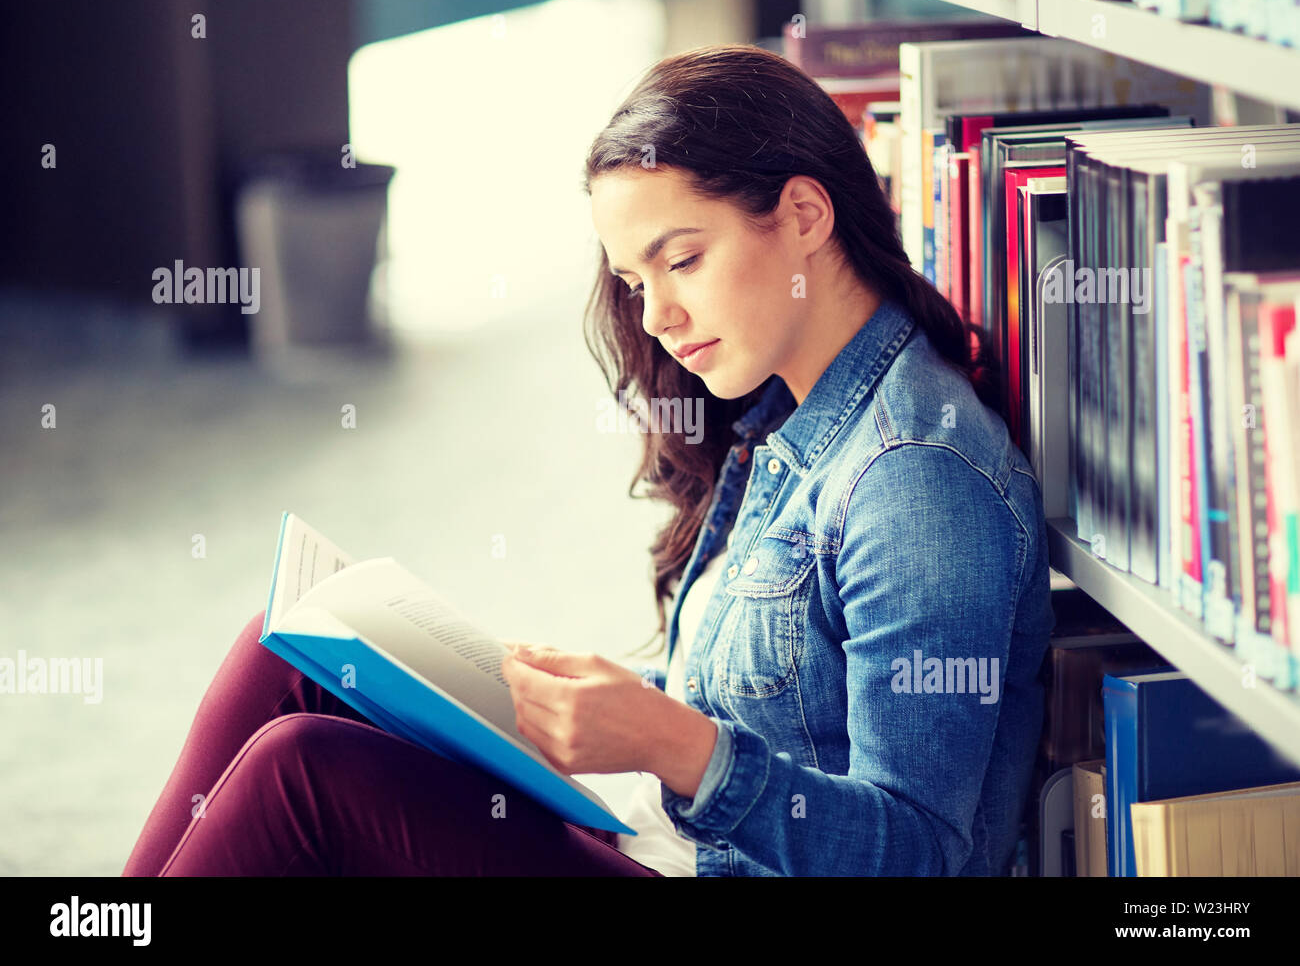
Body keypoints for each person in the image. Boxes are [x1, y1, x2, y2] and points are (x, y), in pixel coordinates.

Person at [122, 43, 1054, 878]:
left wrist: (674, 746)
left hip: (706, 861)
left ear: (805, 213)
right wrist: (570, 703)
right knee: (279, 653)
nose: (655, 319)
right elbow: (773, 703)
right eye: (635, 281)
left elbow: (921, 853)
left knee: (303, 774)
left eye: (682, 260)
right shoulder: (791, 413)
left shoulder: (916, 479)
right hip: (659, 830)